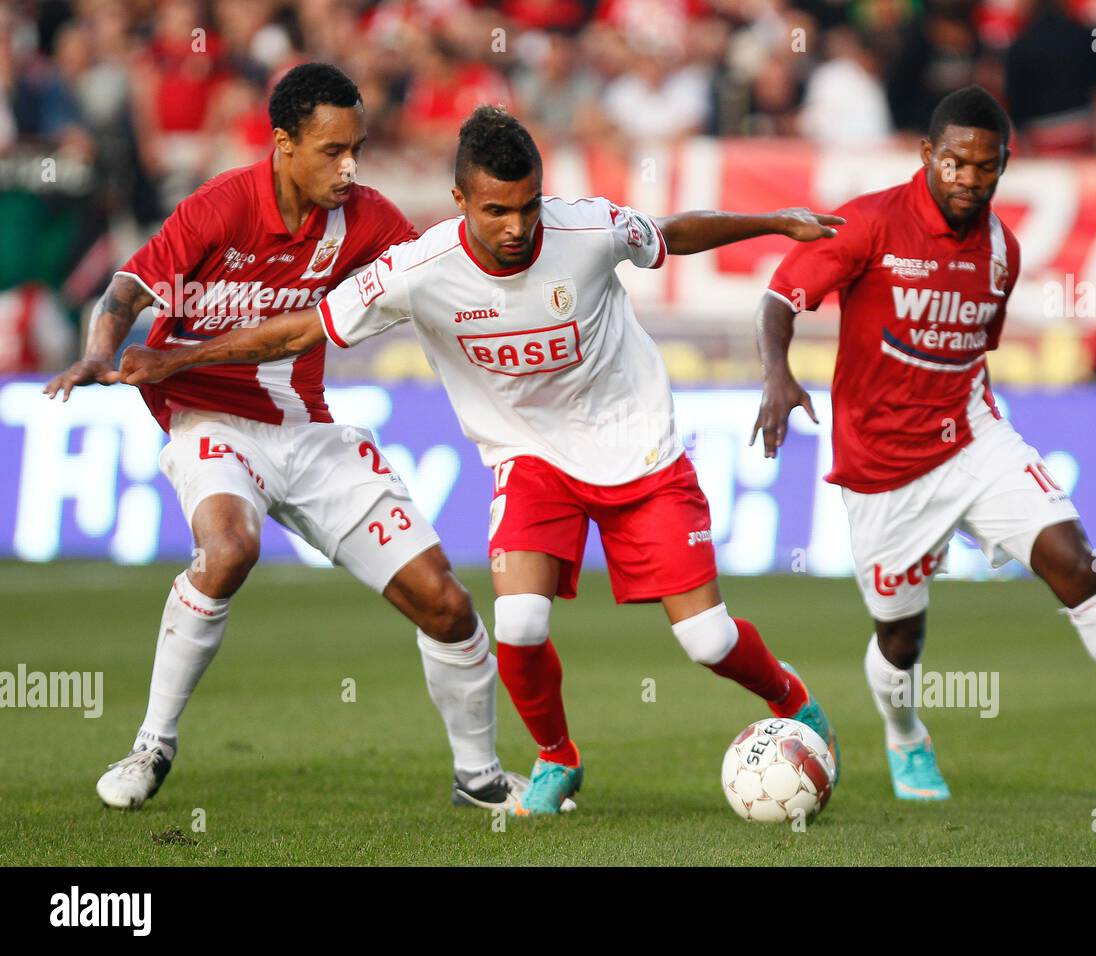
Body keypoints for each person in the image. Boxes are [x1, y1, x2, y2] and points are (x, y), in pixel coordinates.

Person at [110, 105, 846, 816]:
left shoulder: (585, 227)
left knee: (706, 640)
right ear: (460, 200)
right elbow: (302, 330)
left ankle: (792, 701)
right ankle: (556, 757)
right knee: (519, 624)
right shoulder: (417, 268)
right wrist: (179, 359)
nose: (517, 226)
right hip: (530, 459)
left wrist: (778, 221)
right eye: (496, 211)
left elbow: (673, 232)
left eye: (527, 206)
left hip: (638, 447)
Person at [44, 64, 534, 814]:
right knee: (230, 549)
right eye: (332, 151)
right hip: (207, 422)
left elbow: (435, 275)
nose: (350, 168)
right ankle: (151, 747)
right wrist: (100, 350)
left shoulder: (368, 219)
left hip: (307, 430)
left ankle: (480, 779)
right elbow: (128, 287)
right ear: (282, 144)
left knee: (447, 606)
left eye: (357, 150)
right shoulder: (219, 207)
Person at [751, 86, 1096, 800]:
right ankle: (905, 738)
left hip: (973, 439)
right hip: (883, 469)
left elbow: (970, 351)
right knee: (901, 638)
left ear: (1004, 167)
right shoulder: (866, 224)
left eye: (986, 167)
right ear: (928, 155)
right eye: (955, 163)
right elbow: (779, 298)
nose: (969, 179)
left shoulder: (1000, 250)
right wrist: (777, 373)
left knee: (1076, 562)